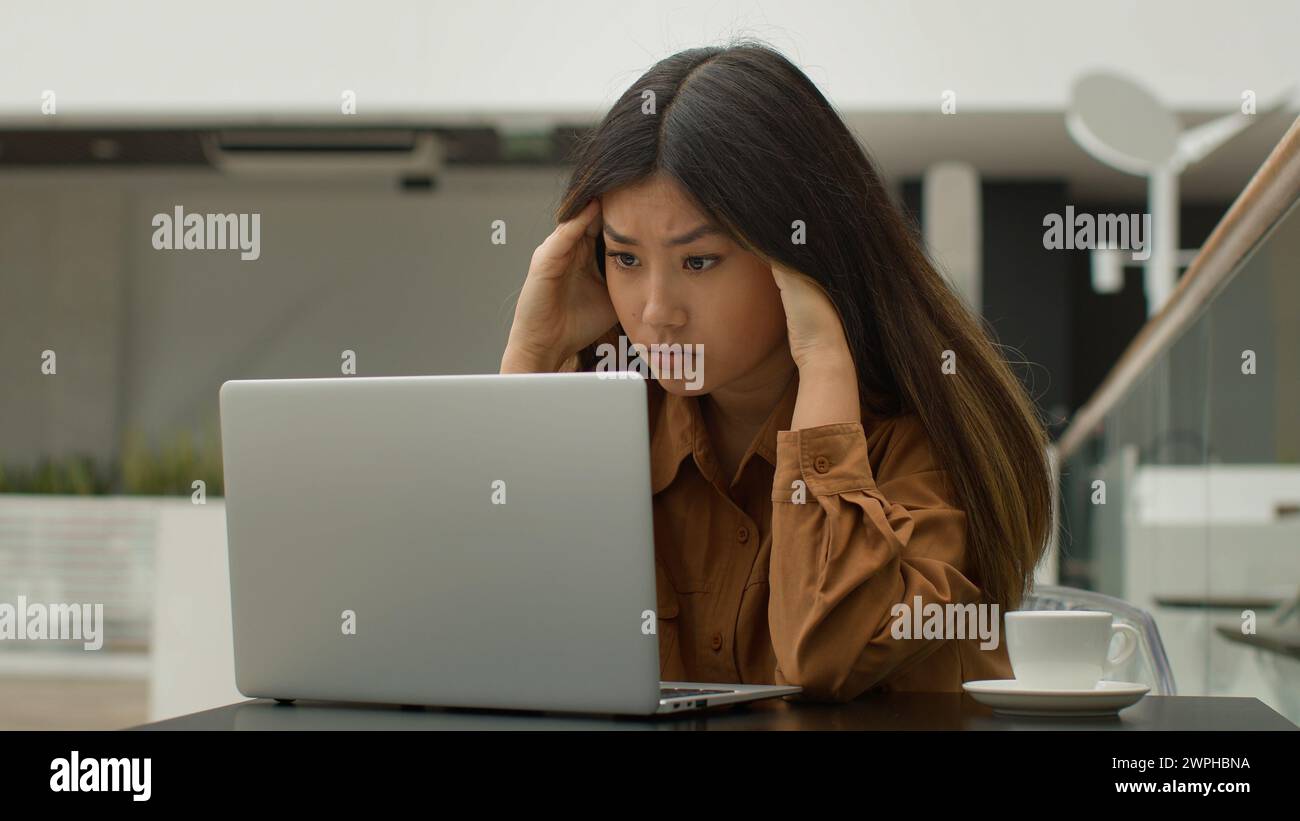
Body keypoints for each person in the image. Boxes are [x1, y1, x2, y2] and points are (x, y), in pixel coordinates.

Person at [500, 41, 1053, 701]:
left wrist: (822, 360)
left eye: (698, 261)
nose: (656, 312)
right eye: (624, 258)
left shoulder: (917, 443)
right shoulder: (610, 432)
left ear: (795, 254)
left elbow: (828, 653)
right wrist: (531, 357)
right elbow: (495, 632)